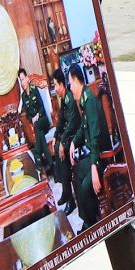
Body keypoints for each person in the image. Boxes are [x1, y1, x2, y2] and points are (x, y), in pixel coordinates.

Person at [69, 67, 104, 227]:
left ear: (76, 80)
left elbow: (95, 135)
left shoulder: (88, 100)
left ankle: (93, 223)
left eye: (70, 83)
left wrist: (94, 167)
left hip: (100, 155)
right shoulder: (83, 99)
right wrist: (73, 143)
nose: (70, 88)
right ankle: (87, 221)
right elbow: (84, 129)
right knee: (76, 175)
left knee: (84, 187)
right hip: (93, 154)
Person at [51, 70, 79, 214]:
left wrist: (62, 141)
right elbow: (61, 121)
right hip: (69, 135)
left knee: (61, 149)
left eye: (55, 85)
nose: (54, 88)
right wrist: (56, 136)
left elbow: (73, 123)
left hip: (76, 136)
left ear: (62, 84)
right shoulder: (62, 99)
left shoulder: (69, 98)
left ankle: (69, 197)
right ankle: (66, 192)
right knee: (56, 147)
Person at [16, 68, 52, 175]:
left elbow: (41, 107)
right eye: (20, 80)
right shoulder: (23, 97)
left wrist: (37, 116)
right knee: (39, 133)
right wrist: (32, 118)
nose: (22, 82)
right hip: (37, 126)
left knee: (38, 126)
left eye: (23, 79)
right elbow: (27, 115)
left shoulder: (34, 89)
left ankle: (37, 155)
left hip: (44, 121)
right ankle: (51, 164)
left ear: (27, 78)